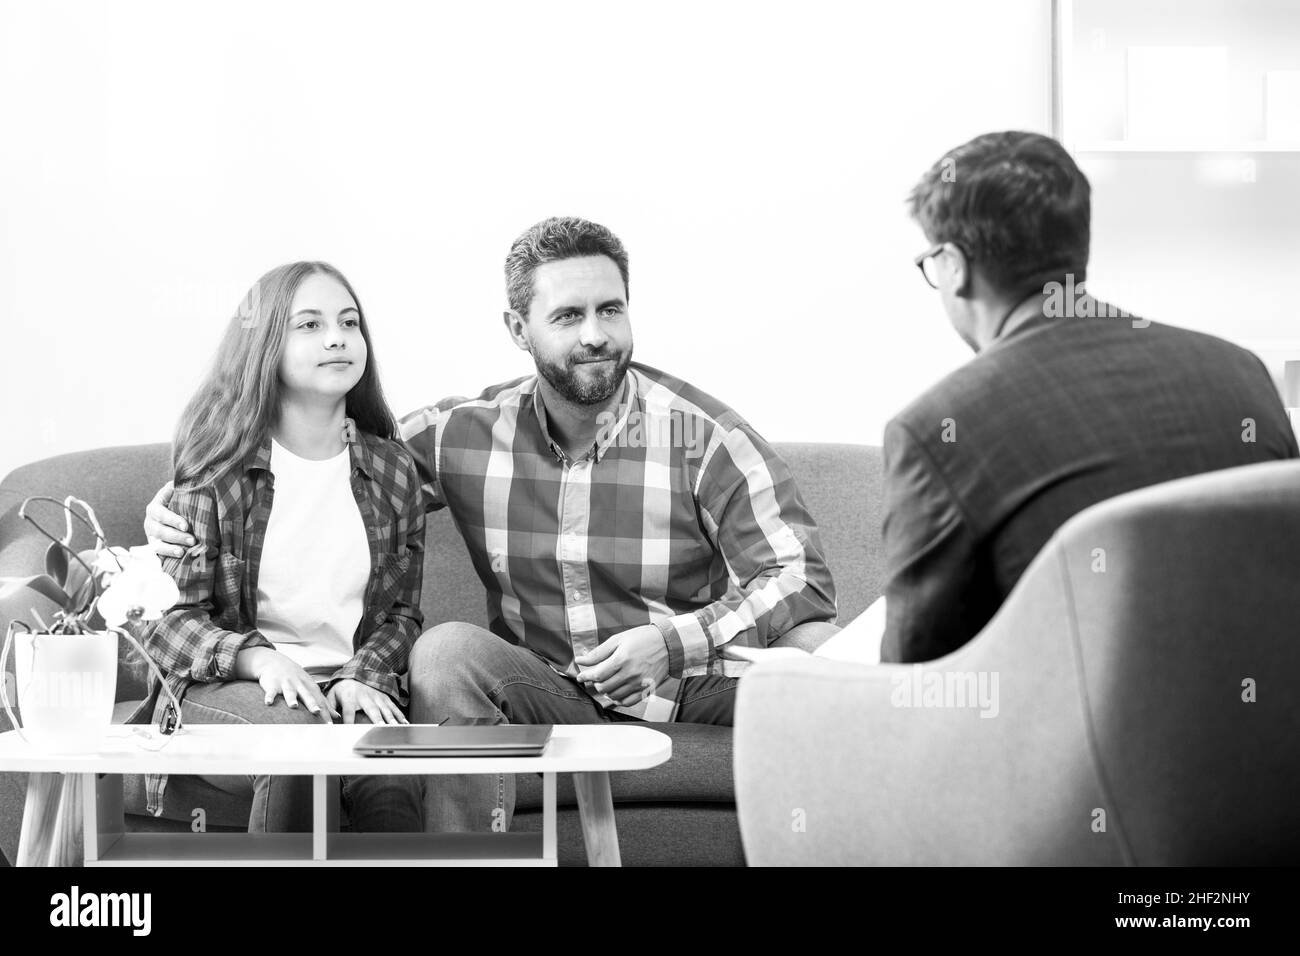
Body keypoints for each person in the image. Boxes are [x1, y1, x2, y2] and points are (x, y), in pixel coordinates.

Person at [148, 217, 839, 833]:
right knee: (446, 651)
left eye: (611, 310)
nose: (595, 334)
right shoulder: (459, 437)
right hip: (542, 689)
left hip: (687, 688)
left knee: (841, 677)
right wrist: (172, 505)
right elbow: (321, 466)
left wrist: (671, 643)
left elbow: (799, 577)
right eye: (568, 315)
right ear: (519, 330)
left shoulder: (701, 435)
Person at [878, 130, 1299, 663]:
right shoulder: (1242, 373)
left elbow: (914, 684)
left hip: (1071, 743)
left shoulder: (938, 430)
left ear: (954, 266)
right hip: (1267, 730)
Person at [132, 261, 426, 832]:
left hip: (343, 682)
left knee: (392, 770)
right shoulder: (215, 471)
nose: (337, 337)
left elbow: (401, 615)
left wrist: (360, 675)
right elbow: (167, 623)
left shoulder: (393, 471)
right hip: (227, 686)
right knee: (298, 741)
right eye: (309, 325)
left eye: (349, 322)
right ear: (265, 344)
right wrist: (259, 657)